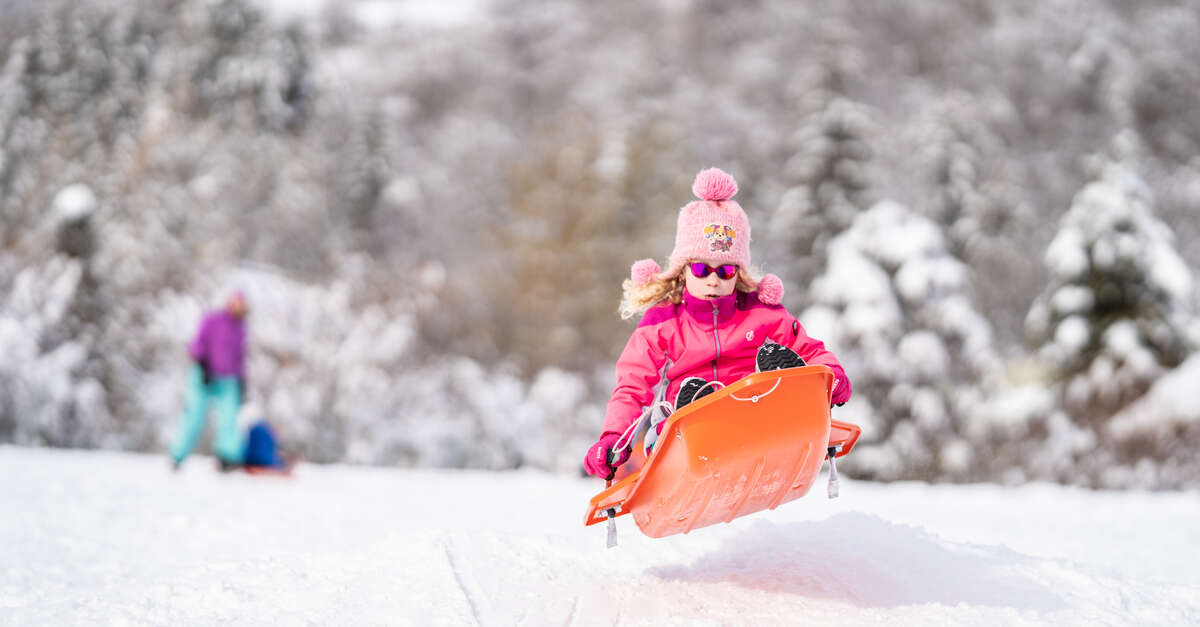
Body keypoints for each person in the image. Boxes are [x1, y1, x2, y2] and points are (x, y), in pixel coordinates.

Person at [583, 168, 853, 480]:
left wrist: (832, 377)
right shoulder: (663, 320)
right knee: (682, 409)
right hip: (685, 432)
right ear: (683, 270)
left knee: (769, 372)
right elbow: (632, 384)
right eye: (701, 268)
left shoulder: (759, 311)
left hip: (750, 414)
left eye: (725, 271)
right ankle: (696, 414)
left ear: (738, 273)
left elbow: (809, 349)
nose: (713, 279)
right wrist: (612, 437)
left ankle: (783, 397)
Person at [170, 291, 250, 470]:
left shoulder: (241, 328)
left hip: (228, 378)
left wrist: (242, 381)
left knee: (229, 417)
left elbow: (240, 357)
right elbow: (198, 343)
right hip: (204, 373)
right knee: (194, 416)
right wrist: (202, 364)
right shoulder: (213, 320)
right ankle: (177, 455)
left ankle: (227, 457)